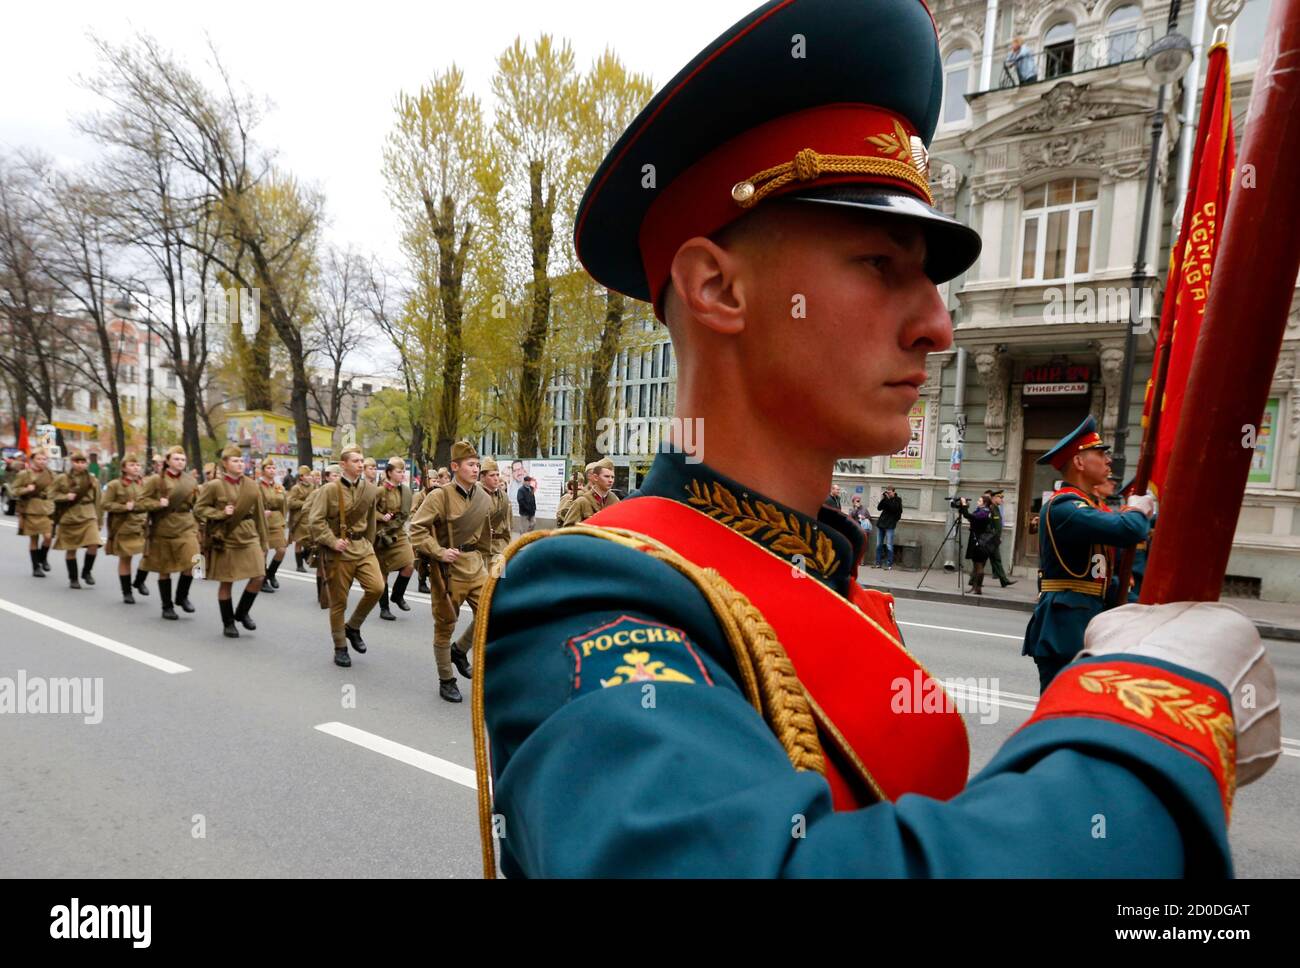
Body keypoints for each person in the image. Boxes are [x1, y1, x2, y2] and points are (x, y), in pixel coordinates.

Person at [471, 0, 1277, 878]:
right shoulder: (592, 592)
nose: (939, 324)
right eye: (882, 266)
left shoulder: (828, 571)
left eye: (930, 280)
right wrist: (1150, 719)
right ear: (719, 290)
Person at [1021, 416, 1152, 691]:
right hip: (1065, 628)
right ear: (1079, 462)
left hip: (1085, 621)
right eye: (1100, 454)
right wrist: (1138, 508)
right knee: (1060, 712)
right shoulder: (1065, 507)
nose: (1108, 461)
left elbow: (1099, 574)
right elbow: (1129, 529)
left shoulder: (1087, 506)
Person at [408, 440, 491, 703]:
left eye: (477, 464)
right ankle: (446, 679)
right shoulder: (439, 496)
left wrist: (493, 567)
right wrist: (438, 551)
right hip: (447, 569)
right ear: (455, 467)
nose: (476, 469)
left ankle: (460, 650)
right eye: (470, 465)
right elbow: (416, 529)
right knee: (445, 624)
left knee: (491, 611)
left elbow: (486, 539)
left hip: (475, 564)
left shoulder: (483, 497)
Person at [307, 446, 385, 667]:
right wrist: (332, 541)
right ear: (343, 465)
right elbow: (316, 520)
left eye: (362, 460)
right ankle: (340, 646)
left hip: (363, 547)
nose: (360, 464)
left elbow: (371, 520)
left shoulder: (369, 489)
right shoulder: (330, 490)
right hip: (339, 552)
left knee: (377, 588)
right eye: (355, 461)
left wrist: (369, 542)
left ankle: (353, 626)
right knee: (339, 602)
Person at [193, 445, 269, 638]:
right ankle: (228, 623)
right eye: (235, 461)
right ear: (225, 464)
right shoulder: (214, 486)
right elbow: (199, 510)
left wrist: (264, 543)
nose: (240, 464)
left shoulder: (252, 486)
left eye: (241, 461)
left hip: (249, 536)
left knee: (259, 576)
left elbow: (260, 515)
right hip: (226, 537)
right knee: (227, 582)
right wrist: (219, 513)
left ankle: (242, 613)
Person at [138, 446, 201, 620]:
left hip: (186, 525)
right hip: (163, 527)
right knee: (164, 568)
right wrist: (159, 504)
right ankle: (167, 606)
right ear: (167, 461)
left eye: (183, 459)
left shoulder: (191, 481)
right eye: (176, 459)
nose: (180, 462)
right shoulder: (155, 480)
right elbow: (140, 503)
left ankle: (182, 597)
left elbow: (199, 504)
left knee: (195, 562)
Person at [102, 453, 151, 604]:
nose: (136, 468)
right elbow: (105, 504)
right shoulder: (114, 485)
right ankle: (127, 592)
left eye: (138, 465)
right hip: (124, 526)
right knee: (126, 559)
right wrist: (123, 507)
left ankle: (139, 580)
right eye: (132, 465)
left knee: (150, 555)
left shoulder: (145, 483)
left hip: (143, 525)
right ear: (124, 468)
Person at [50, 450, 103, 589]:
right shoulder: (62, 478)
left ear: (86, 463)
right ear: (71, 463)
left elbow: (98, 501)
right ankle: (73, 578)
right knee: (71, 549)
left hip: (88, 514)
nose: (80, 465)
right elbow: (51, 495)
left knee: (94, 544)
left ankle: (87, 572)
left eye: (82, 462)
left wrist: (100, 520)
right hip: (69, 515)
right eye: (76, 462)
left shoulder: (92, 480)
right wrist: (65, 497)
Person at [374, 456, 416, 622]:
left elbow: (405, 513)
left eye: (403, 471)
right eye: (399, 472)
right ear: (389, 473)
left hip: (397, 533)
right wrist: (381, 516)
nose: (402, 474)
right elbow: (367, 511)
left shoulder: (405, 491)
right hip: (381, 535)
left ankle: (397, 596)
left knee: (410, 565)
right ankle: (384, 608)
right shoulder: (379, 491)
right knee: (383, 573)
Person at [13, 449, 55, 578]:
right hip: (31, 508)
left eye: (44, 459)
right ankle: (36, 567)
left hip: (47, 508)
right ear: (32, 460)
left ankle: (43, 558)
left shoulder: (50, 474)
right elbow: (14, 491)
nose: (42, 462)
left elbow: (57, 487)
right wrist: (26, 489)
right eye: (39, 459)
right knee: (34, 539)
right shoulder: (24, 474)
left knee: (48, 537)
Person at [256, 459, 289, 592]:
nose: (272, 470)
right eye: (269, 468)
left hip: (276, 521)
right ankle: (262, 580)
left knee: (281, 550)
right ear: (263, 470)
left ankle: (271, 573)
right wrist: (260, 513)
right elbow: (251, 503)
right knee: (263, 551)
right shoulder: (257, 485)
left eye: (273, 468)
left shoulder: (279, 486)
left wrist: (283, 520)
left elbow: (284, 505)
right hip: (263, 521)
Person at [956, 492, 994, 595]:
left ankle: (977, 588)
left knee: (979, 565)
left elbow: (969, 516)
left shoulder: (983, 513)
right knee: (977, 565)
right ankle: (976, 587)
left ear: (984, 503)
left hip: (979, 541)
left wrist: (964, 504)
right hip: (983, 541)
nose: (977, 502)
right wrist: (965, 507)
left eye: (979, 501)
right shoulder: (984, 511)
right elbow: (971, 517)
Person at [565, 457, 620, 526]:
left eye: (612, 477)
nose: (611, 480)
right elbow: (568, 529)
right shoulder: (582, 502)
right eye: (606, 476)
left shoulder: (615, 501)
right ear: (596, 477)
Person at [286, 465, 316, 572]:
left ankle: (304, 555)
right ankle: (299, 565)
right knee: (299, 542)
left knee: (310, 541)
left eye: (310, 475)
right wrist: (305, 503)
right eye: (307, 475)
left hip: (310, 518)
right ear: (301, 477)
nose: (309, 477)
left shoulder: (313, 487)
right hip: (299, 519)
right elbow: (290, 503)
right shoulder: (296, 488)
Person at [985, 489, 1016, 587]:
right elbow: (988, 525)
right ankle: (974, 580)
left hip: (994, 539)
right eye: (1000, 497)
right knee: (985, 560)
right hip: (990, 539)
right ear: (994, 498)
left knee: (995, 560)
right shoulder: (990, 508)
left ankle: (1004, 581)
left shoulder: (996, 508)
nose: (1002, 499)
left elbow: (997, 525)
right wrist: (992, 536)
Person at [874, 485, 902, 569]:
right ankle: (878, 563)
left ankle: (889, 564)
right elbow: (879, 508)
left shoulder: (898, 500)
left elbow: (894, 509)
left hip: (890, 525)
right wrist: (883, 499)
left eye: (889, 492)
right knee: (879, 544)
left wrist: (888, 499)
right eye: (887, 492)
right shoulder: (886, 499)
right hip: (881, 524)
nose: (888, 493)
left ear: (893, 492)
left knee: (889, 545)